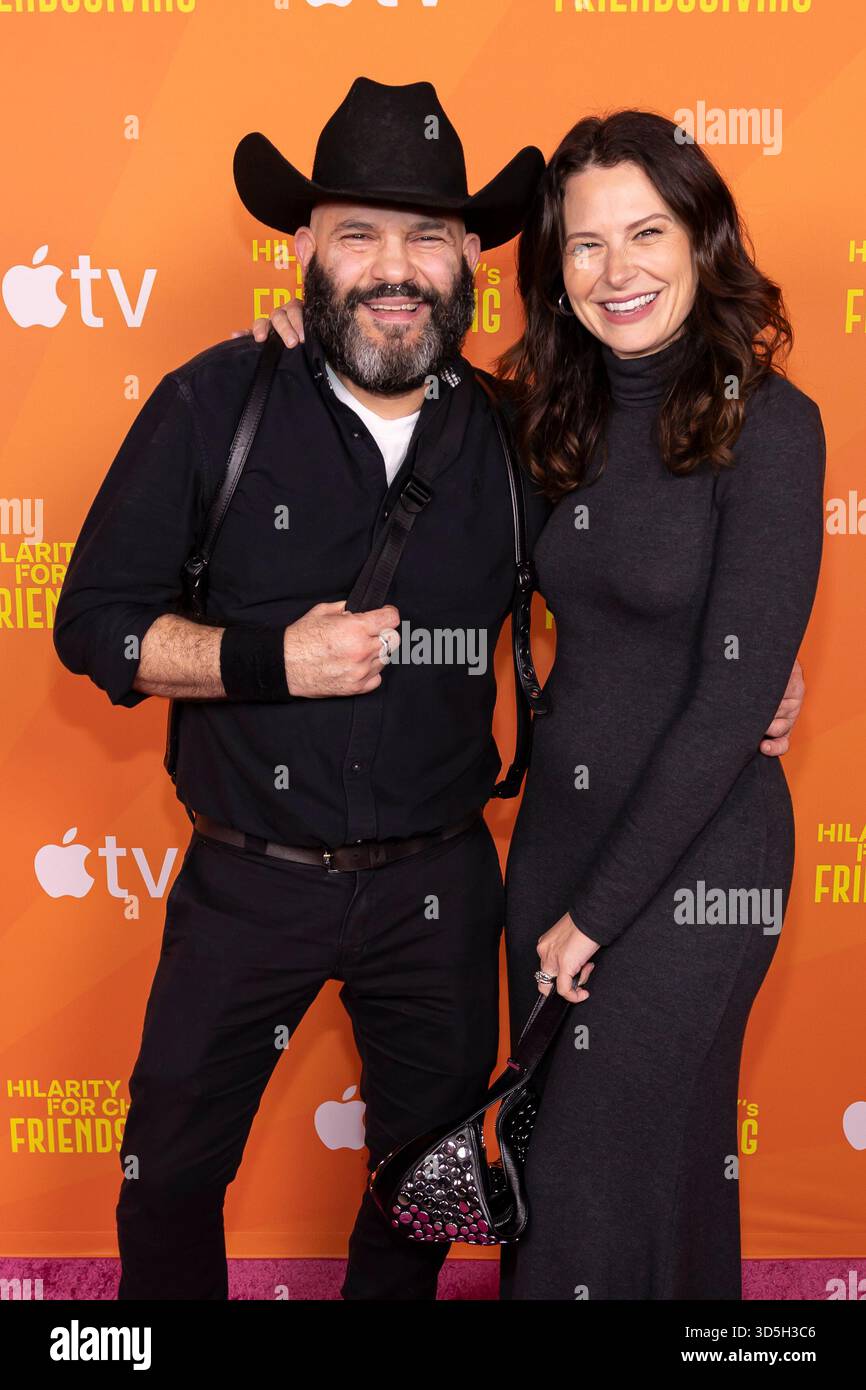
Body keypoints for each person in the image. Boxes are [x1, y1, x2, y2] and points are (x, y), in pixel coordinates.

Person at [54, 79, 803, 1303]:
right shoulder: (215, 407)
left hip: (442, 889)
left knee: (422, 1192)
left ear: (470, 258)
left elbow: (645, 580)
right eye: (358, 233)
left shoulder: (518, 432)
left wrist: (758, 663)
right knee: (170, 1176)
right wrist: (264, 660)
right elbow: (93, 626)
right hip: (249, 874)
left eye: (425, 237)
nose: (391, 268)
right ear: (303, 249)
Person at [497, 111, 826, 1299]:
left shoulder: (770, 426)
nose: (614, 269)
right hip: (553, 843)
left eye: (643, 232)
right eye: (582, 245)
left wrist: (596, 915)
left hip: (700, 854)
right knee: (644, 1178)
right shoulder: (542, 415)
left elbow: (725, 700)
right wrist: (287, 344)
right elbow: (386, 410)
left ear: (700, 237)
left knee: (585, 1198)